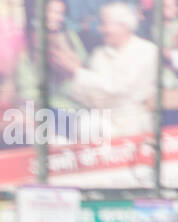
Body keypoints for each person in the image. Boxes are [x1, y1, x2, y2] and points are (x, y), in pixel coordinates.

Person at [50, 2, 159, 134]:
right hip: (101, 124)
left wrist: (76, 72)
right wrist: (70, 75)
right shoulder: (99, 54)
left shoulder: (147, 51)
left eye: (105, 24)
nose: (101, 30)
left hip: (134, 124)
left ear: (123, 25)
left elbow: (119, 89)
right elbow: (89, 96)